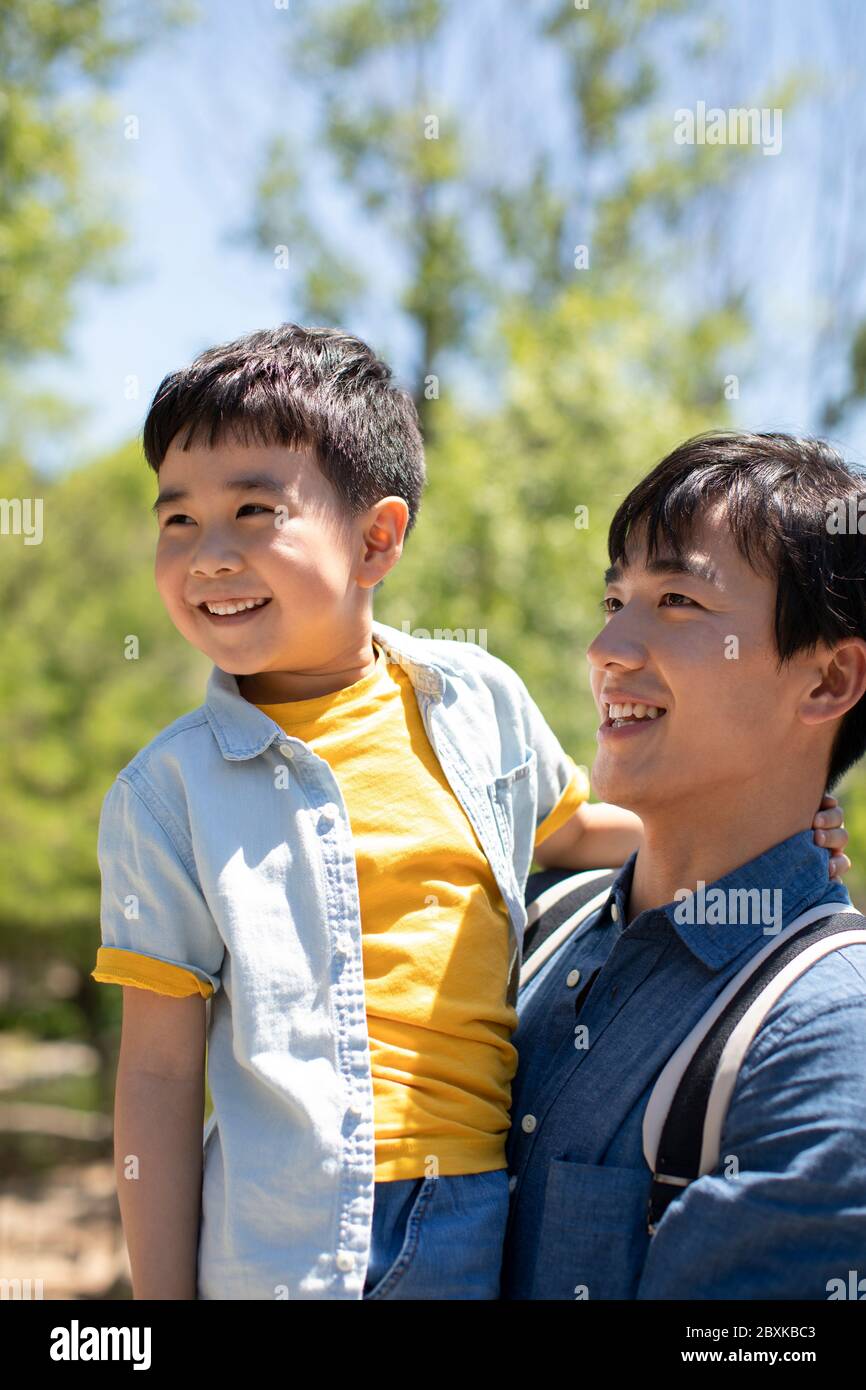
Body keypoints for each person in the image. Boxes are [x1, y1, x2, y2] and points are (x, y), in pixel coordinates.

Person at [91, 322, 663, 1300]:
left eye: (252, 510)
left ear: (375, 538)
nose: (207, 555)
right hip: (279, 1251)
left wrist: (764, 829)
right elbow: (154, 1074)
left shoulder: (475, 700)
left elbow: (574, 833)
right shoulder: (168, 793)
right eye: (177, 519)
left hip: (483, 1219)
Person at [501, 430, 866, 1300]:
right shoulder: (535, 931)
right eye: (613, 599)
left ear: (826, 682)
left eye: (677, 601)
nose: (606, 650)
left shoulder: (824, 1037)